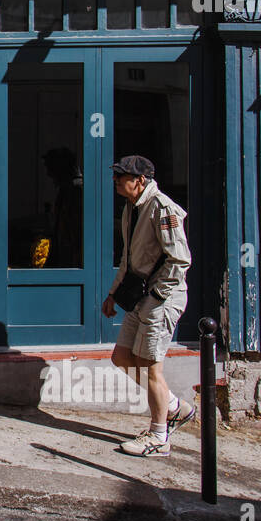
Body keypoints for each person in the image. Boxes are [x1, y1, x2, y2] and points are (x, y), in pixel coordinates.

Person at [101, 155, 195, 457]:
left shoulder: (162, 209)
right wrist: (114, 294)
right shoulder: (133, 207)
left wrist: (156, 296)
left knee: (151, 367)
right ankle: (174, 407)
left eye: (121, 176)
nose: (116, 181)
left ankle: (158, 437)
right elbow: (129, 258)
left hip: (160, 300)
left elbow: (180, 259)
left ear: (139, 181)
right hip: (140, 295)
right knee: (122, 356)